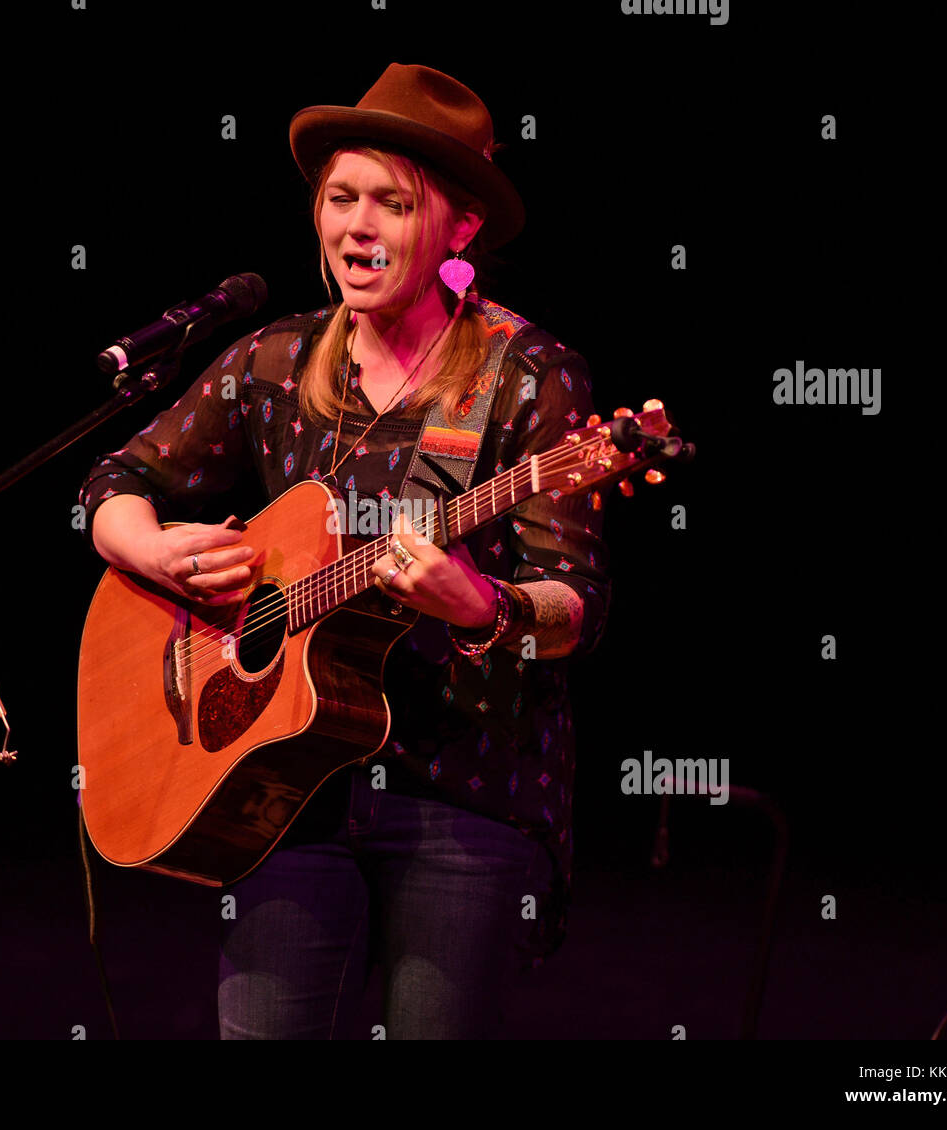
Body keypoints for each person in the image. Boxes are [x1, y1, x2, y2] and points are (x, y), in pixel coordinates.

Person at [78, 63, 611, 1039]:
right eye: (340, 198)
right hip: (286, 790)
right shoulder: (274, 360)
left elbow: (575, 605)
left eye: (392, 203)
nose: (357, 226)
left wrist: (484, 605)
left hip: (464, 791)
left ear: (459, 230)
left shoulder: (529, 379)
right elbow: (113, 486)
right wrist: (153, 551)